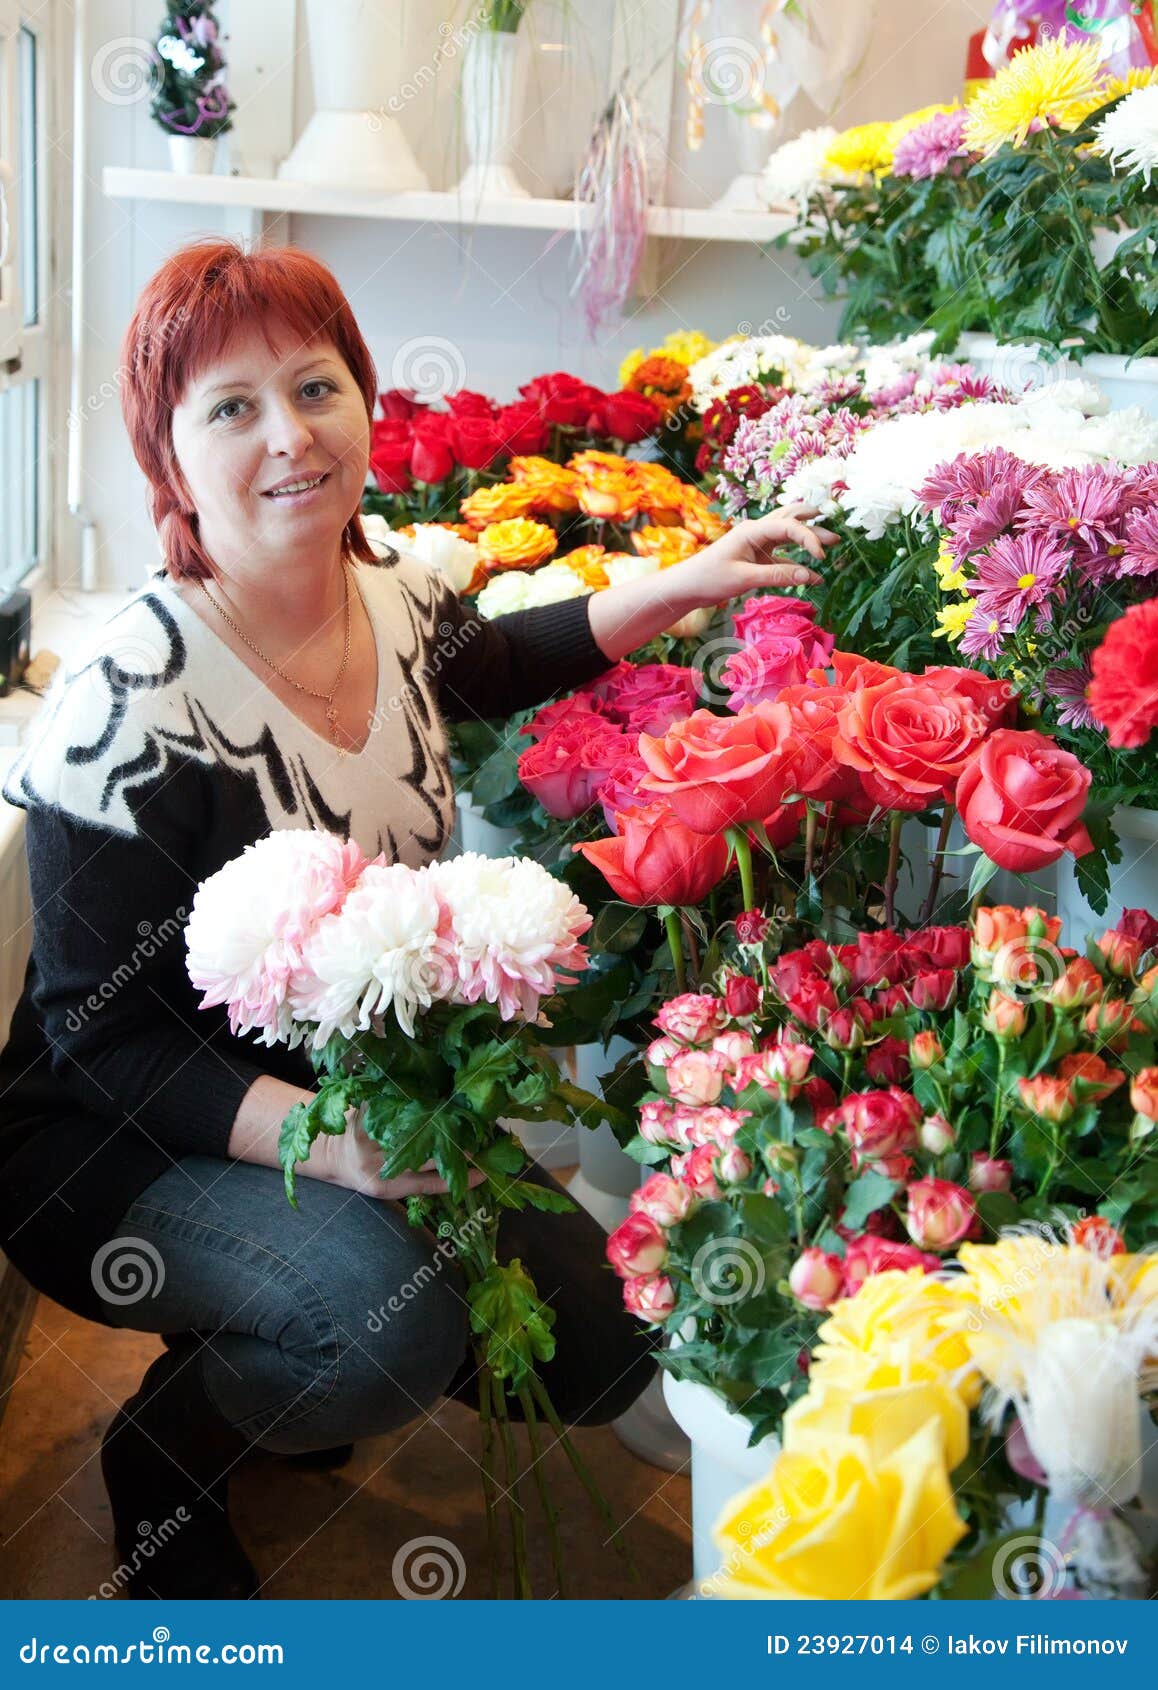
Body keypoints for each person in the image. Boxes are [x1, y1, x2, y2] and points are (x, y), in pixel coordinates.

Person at [0, 239, 834, 1600]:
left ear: (365, 400)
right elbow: (97, 1040)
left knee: (605, 1336)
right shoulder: (127, 705)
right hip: (117, 1140)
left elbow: (505, 660)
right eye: (232, 407)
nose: (290, 435)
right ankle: (172, 1449)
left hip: (337, 1100)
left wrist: (678, 584)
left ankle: (269, 1350)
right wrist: (334, 1149)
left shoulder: (388, 596)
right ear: (167, 452)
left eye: (316, 387)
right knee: (375, 1322)